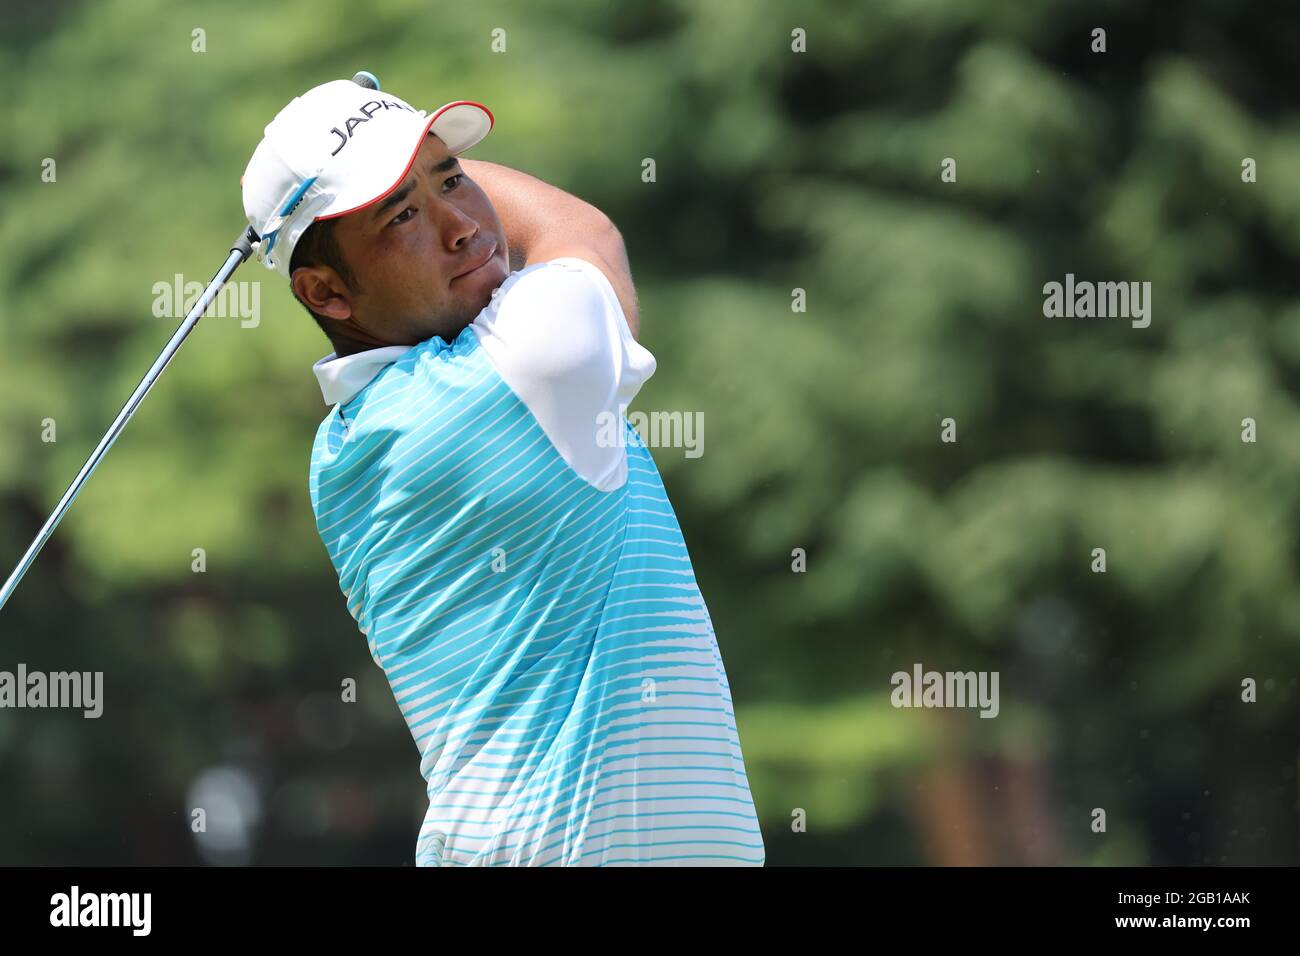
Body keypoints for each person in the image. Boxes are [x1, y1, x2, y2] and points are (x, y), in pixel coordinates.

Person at [241, 76, 764, 866]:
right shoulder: (520, 371)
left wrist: (394, 154)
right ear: (324, 292)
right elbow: (581, 232)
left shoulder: (344, 449)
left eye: (453, 179)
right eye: (403, 215)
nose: (460, 224)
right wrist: (407, 136)